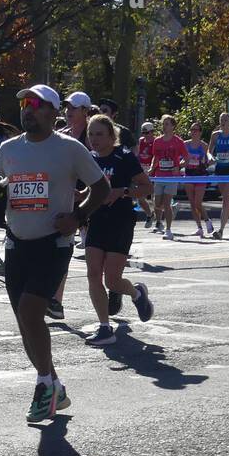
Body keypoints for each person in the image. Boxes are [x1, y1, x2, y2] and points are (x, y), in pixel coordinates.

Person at [0, 85, 109, 420]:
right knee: (25, 322)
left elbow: (101, 188)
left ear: (52, 112)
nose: (27, 110)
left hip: (53, 244)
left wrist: (77, 217)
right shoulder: (7, 149)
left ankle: (44, 386)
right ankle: (54, 385)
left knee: (31, 312)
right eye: (23, 104)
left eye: (35, 104)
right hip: (16, 245)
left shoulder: (69, 149)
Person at [83, 114, 154, 346]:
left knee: (112, 281)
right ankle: (105, 327)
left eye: (99, 134)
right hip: (97, 220)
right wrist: (79, 197)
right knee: (93, 274)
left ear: (111, 136)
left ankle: (137, 294)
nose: (94, 139)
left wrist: (122, 192)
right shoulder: (88, 159)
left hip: (120, 221)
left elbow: (146, 187)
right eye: (91, 134)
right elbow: (88, 190)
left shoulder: (124, 157)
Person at [148, 115, 187, 239]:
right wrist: (152, 168)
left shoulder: (178, 141)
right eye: (163, 124)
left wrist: (179, 166)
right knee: (157, 203)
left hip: (171, 177)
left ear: (173, 126)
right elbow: (156, 157)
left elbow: (186, 158)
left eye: (167, 124)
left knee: (166, 202)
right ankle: (170, 211)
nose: (164, 126)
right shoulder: (157, 141)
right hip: (159, 175)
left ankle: (168, 230)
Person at [183, 121, 213, 236]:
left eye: (196, 130)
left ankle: (207, 221)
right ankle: (199, 228)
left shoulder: (204, 145)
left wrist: (205, 161)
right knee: (192, 203)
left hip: (201, 175)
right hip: (189, 174)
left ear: (200, 132)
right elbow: (181, 160)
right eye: (191, 130)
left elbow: (209, 161)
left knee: (198, 202)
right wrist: (184, 162)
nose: (193, 132)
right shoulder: (185, 144)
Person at [136, 121, 157, 228]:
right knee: (140, 197)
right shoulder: (141, 141)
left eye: (147, 133)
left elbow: (156, 157)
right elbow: (138, 154)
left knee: (155, 197)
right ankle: (149, 214)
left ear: (152, 132)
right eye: (143, 133)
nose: (145, 135)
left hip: (153, 170)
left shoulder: (156, 141)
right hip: (142, 170)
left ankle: (160, 220)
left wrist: (152, 168)